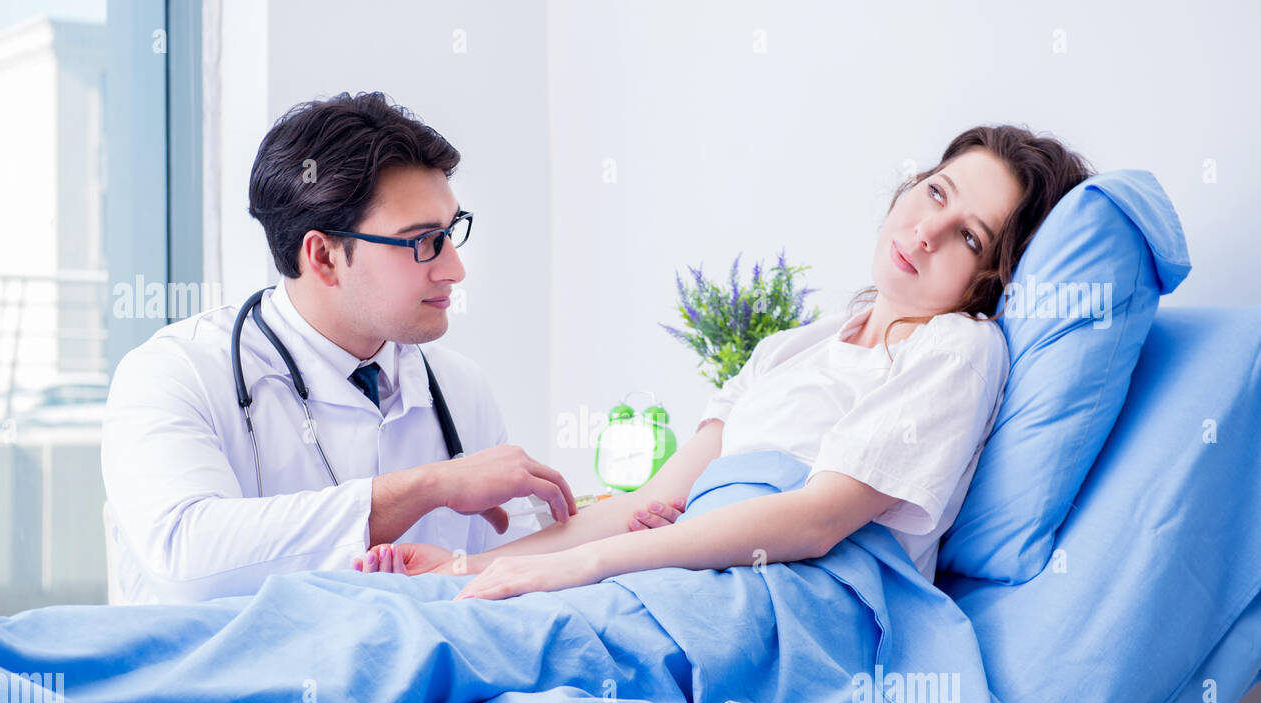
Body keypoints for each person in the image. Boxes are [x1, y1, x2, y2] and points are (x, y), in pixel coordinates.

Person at [357, 124, 1096, 594]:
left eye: (970, 237)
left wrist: (576, 571)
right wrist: (467, 568)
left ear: (993, 279)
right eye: (935, 191)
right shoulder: (795, 347)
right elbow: (645, 501)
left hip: (793, 600)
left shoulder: (959, 347)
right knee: (400, 618)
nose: (927, 229)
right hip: (693, 574)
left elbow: (813, 523)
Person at [101, 92, 685, 605]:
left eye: (451, 232)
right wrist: (432, 485)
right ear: (323, 256)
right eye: (423, 242)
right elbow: (187, 561)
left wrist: (621, 533)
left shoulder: (458, 389)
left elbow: (508, 568)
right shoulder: (174, 373)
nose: (454, 269)